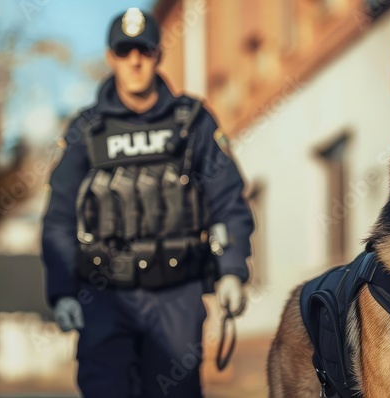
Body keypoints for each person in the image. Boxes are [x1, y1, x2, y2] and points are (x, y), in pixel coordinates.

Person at [40, 7, 254, 397]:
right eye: (124, 51)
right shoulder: (87, 130)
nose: (135, 60)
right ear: (110, 58)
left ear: (157, 54)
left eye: (144, 50)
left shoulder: (192, 122)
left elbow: (226, 200)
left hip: (177, 294)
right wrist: (62, 291)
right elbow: (58, 218)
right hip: (105, 295)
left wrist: (232, 271)